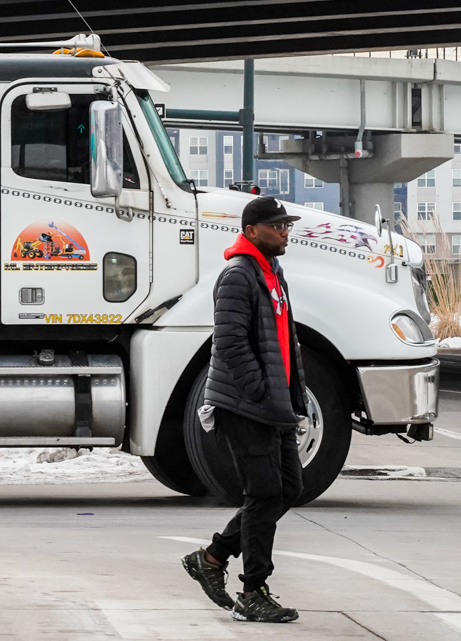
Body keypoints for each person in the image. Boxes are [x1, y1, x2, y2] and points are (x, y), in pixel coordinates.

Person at [180, 195, 308, 624]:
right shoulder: (237, 275)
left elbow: (285, 342)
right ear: (252, 231)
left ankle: (213, 557)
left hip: (273, 404)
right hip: (246, 405)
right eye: (276, 226)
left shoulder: (272, 273)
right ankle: (253, 591)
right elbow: (230, 343)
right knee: (265, 493)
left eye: (286, 225)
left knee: (289, 487)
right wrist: (260, 392)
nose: (284, 232)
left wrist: (294, 393)